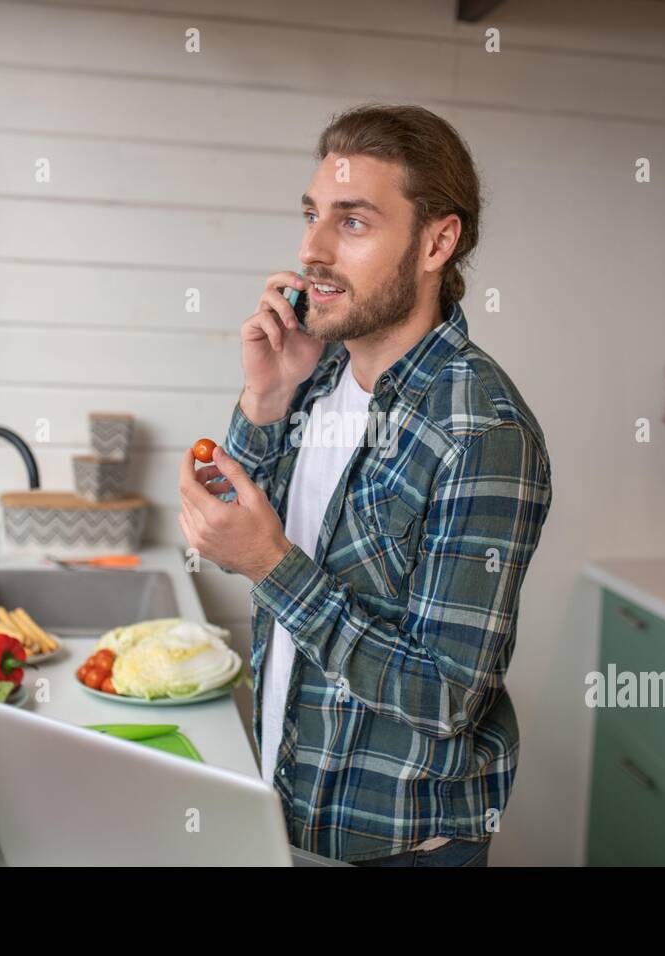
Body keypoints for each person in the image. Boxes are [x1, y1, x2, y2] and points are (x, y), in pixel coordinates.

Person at [177, 104, 552, 866]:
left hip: (398, 846)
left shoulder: (484, 431)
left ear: (436, 242)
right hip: (289, 806)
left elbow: (446, 698)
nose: (311, 250)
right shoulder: (317, 378)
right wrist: (264, 399)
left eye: (352, 223)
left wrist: (271, 566)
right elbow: (226, 539)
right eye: (312, 215)